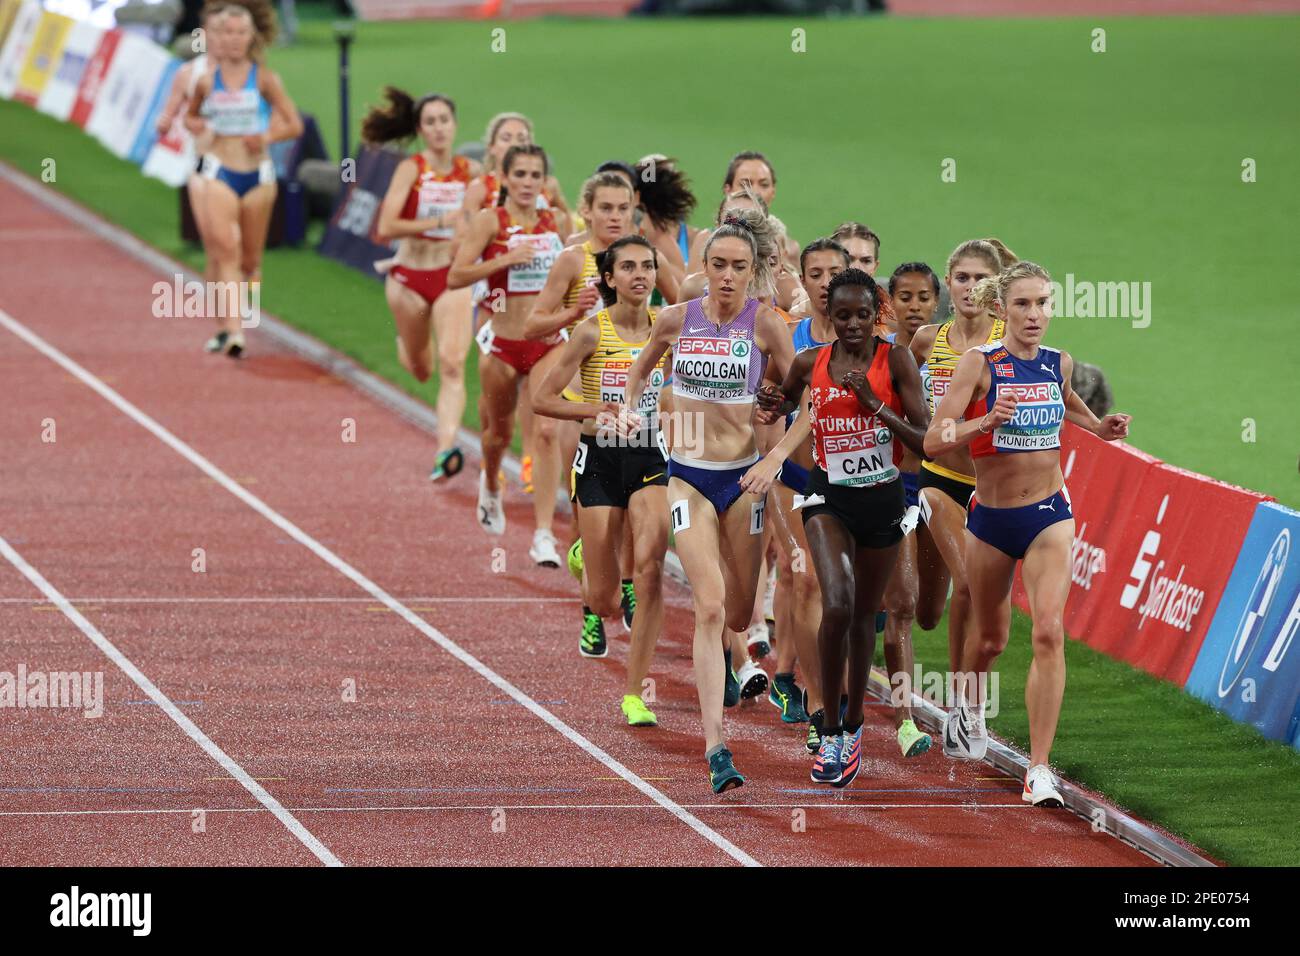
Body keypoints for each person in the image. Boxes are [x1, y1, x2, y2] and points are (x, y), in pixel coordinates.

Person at [925, 261, 1130, 806]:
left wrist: (1100, 429)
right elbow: (936, 438)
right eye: (1023, 304)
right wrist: (984, 422)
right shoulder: (979, 364)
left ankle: (1040, 768)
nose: (1035, 314)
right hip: (990, 521)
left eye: (1043, 303)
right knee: (990, 639)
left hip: (1049, 517)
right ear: (1001, 309)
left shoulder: (1057, 363)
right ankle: (965, 707)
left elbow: (1070, 406)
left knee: (1048, 632)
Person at [619, 209, 794, 793]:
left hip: (744, 481)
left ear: (753, 272)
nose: (725, 276)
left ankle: (734, 653)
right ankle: (716, 746)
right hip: (687, 481)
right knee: (711, 606)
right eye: (716, 264)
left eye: (737, 267)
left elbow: (810, 400)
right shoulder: (674, 320)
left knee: (741, 613)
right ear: (703, 266)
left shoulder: (768, 327)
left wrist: (775, 457)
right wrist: (631, 409)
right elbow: (639, 372)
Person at [746, 268, 929, 788]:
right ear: (830, 314)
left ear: (878, 315)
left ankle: (853, 727)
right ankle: (827, 726)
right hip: (827, 498)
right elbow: (779, 400)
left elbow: (924, 440)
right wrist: (769, 404)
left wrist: (877, 409)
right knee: (839, 601)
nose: (851, 324)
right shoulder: (810, 361)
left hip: (883, 502)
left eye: (861, 315)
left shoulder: (895, 361)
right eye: (842, 314)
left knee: (863, 616)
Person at [533, 236, 669, 727]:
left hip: (651, 457)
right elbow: (542, 399)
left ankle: (635, 694)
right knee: (606, 600)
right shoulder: (591, 333)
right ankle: (583, 565)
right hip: (599, 460)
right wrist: (596, 409)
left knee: (652, 565)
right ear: (609, 279)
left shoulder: (668, 328)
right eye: (628, 266)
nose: (640, 274)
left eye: (648, 266)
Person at [447, 144, 566, 557]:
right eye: (521, 175)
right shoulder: (489, 221)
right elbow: (456, 276)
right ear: (505, 178)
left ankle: (543, 534)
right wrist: (506, 259)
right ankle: (492, 481)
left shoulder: (557, 223)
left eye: (536, 175)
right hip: (501, 344)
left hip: (547, 343)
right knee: (498, 434)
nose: (528, 183)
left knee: (548, 428)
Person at [366, 88, 480, 481]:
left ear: (455, 125)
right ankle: (408, 345)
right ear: (419, 129)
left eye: (444, 120)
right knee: (420, 368)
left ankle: (445, 448)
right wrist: (439, 222)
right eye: (429, 122)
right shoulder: (411, 169)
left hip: (451, 277)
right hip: (409, 277)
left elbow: (493, 211)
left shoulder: (471, 173)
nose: (438, 128)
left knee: (451, 365)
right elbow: (386, 226)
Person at [907, 240, 1007, 686]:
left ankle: (962, 701)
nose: (970, 287)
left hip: (991, 488)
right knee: (926, 611)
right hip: (939, 479)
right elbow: (902, 392)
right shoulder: (927, 341)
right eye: (962, 277)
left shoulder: (1008, 339)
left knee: (969, 586)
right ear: (948, 283)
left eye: (982, 279)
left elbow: (1033, 293)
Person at [184, 0, 301, 357]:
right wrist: (200, 126)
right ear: (216, 37)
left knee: (250, 261)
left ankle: (230, 318)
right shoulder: (206, 81)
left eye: (240, 33)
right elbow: (190, 118)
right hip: (220, 170)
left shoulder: (265, 79)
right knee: (225, 249)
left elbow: (293, 124)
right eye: (227, 33)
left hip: (259, 177)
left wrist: (265, 137)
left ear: (251, 37)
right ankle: (235, 331)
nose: (234, 40)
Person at [879, 261, 944, 756]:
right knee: (901, 604)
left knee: (927, 612)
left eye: (924, 297)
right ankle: (905, 720)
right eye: (905, 297)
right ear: (890, 303)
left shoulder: (953, 356)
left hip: (941, 489)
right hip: (894, 486)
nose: (915, 306)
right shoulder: (879, 357)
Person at [155, 3, 228, 291]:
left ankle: (233, 297)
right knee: (211, 235)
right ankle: (219, 297)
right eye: (215, 31)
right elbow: (171, 111)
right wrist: (166, 122)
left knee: (230, 237)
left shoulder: (246, 73)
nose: (221, 37)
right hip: (200, 162)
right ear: (203, 33)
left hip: (238, 164)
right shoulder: (189, 73)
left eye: (226, 31)